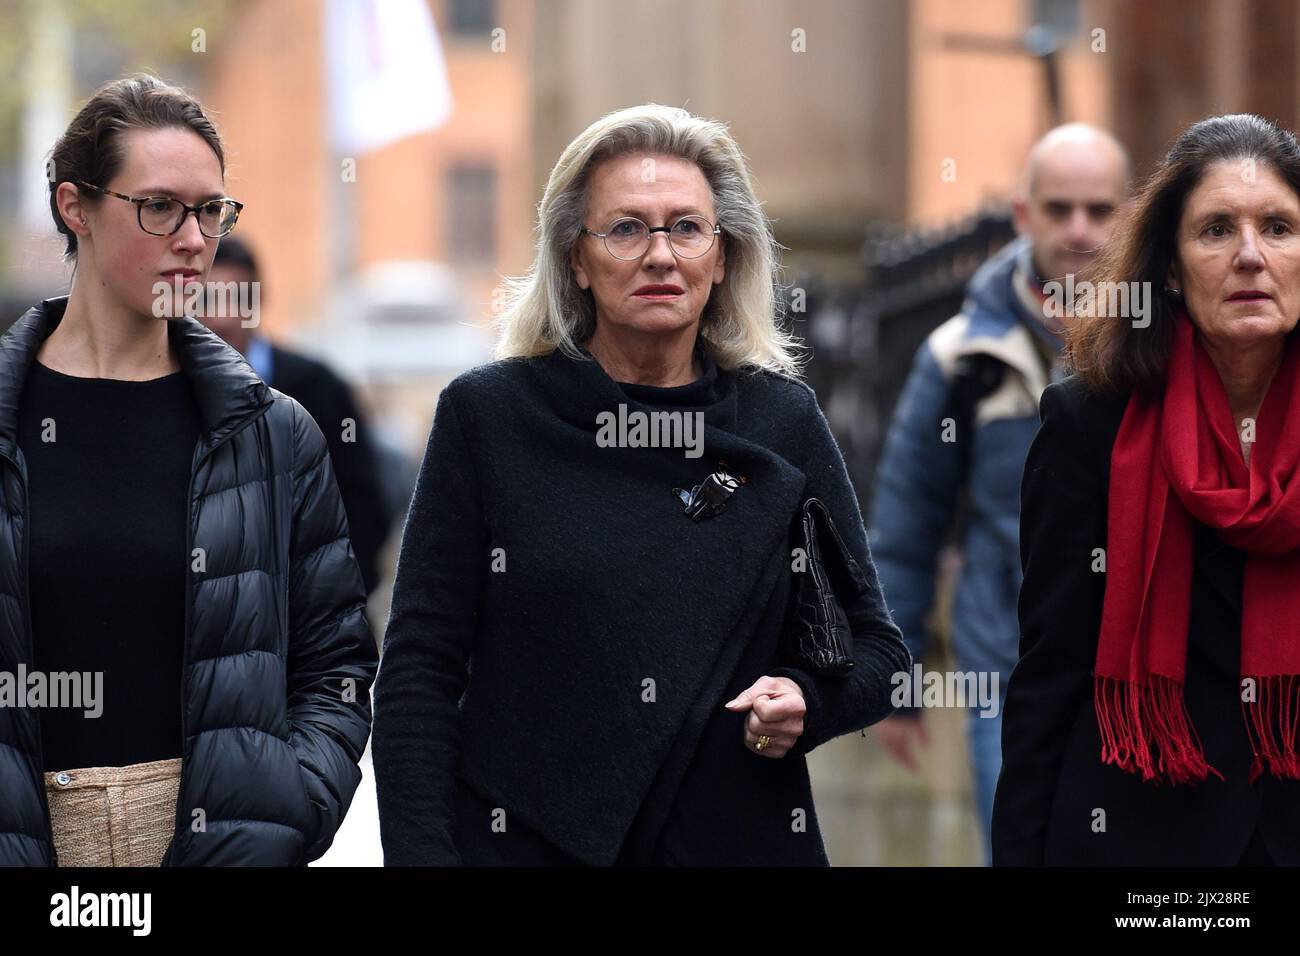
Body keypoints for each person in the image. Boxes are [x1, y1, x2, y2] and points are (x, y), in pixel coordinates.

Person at [372, 103, 911, 866]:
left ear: (722, 257)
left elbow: (877, 650)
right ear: (575, 260)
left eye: (687, 228)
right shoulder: (489, 417)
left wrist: (807, 699)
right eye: (625, 229)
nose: (661, 255)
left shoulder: (780, 420)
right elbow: (420, 671)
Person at [0, 73, 377, 866]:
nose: (195, 238)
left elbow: (335, 660)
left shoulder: (274, 433)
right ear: (76, 208)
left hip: (213, 838)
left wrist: (287, 810)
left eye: (212, 210)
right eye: (160, 206)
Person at [993, 113, 1300, 866]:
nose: (1251, 256)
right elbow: (1050, 670)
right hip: (1142, 842)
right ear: (1169, 266)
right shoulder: (1089, 425)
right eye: (1217, 230)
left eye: (1280, 228)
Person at [868, 123, 1130, 863]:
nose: (1080, 229)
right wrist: (898, 679)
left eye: (1100, 208)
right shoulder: (960, 356)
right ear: (1023, 214)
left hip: (1137, 669)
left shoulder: (1159, 343)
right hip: (1003, 673)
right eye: (1059, 208)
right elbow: (906, 521)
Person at [201, 236, 394, 594]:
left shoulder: (319, 388)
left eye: (237, 300)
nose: (221, 318)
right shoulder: (167, 392)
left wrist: (334, 601)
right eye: (207, 300)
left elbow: (363, 507)